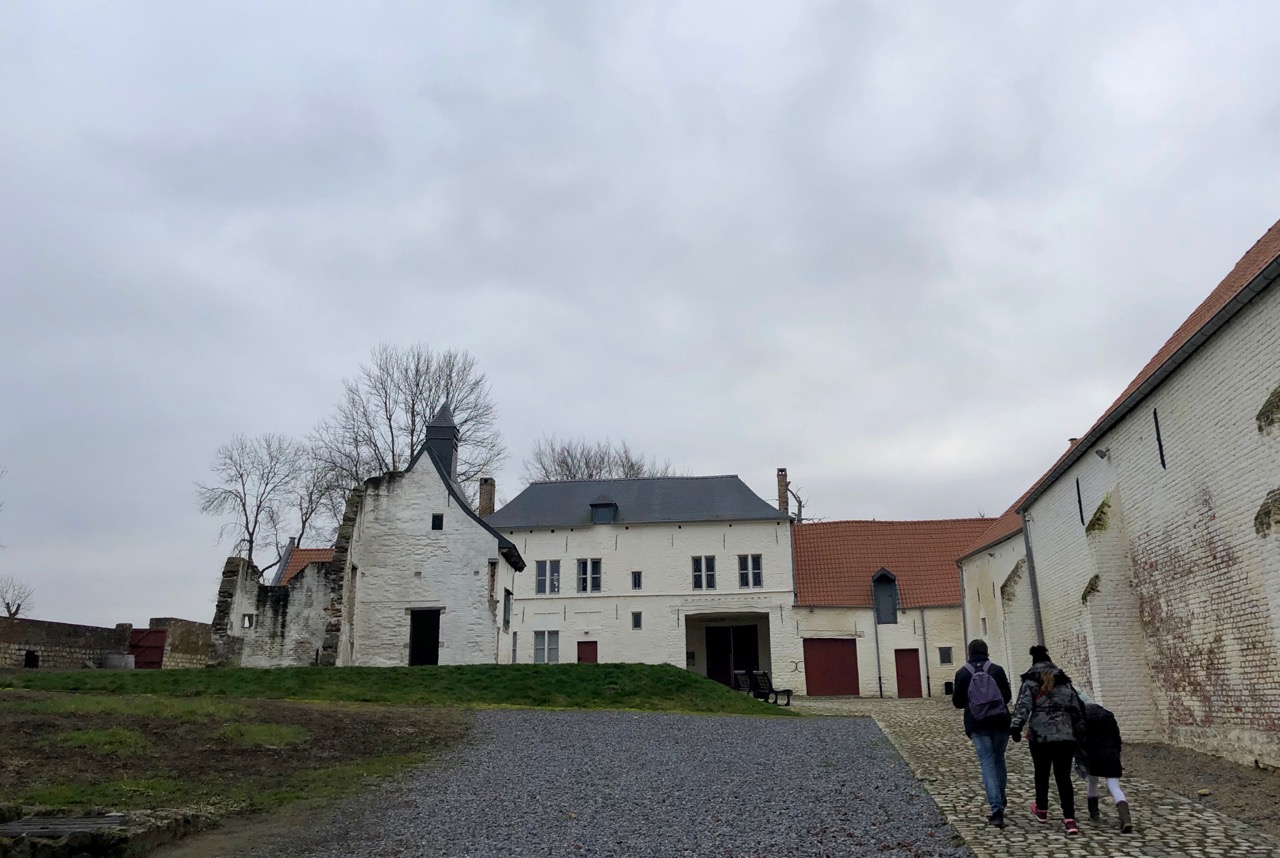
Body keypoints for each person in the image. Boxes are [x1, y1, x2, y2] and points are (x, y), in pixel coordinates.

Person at [1009, 644, 1088, 836]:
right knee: (1063, 777)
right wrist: (1081, 732)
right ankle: (1070, 819)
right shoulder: (1065, 683)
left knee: (1041, 772)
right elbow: (1076, 708)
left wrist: (1016, 727)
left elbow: (1023, 706)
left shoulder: (1029, 682)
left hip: (1040, 736)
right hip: (1064, 735)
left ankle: (1042, 809)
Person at [951, 639, 1014, 828]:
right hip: (1000, 722)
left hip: (977, 724)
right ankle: (1001, 800)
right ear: (987, 652)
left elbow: (958, 702)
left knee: (986, 762)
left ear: (969, 653)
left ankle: (996, 809)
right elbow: (1007, 697)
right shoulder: (997, 670)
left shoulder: (963, 673)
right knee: (999, 760)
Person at [1074, 689, 1133, 833]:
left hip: (1092, 754)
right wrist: (1117, 752)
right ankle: (1125, 818)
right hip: (1111, 754)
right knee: (1114, 786)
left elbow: (1081, 739)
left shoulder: (1082, 717)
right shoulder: (1108, 715)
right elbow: (1117, 737)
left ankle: (1094, 812)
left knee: (1092, 782)